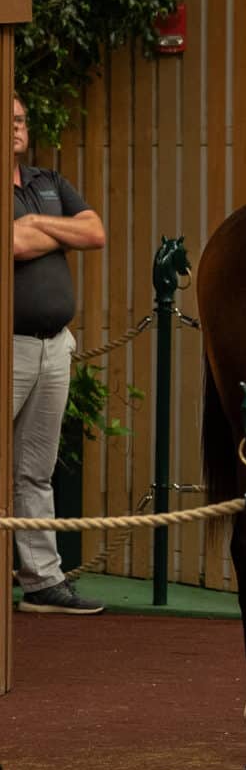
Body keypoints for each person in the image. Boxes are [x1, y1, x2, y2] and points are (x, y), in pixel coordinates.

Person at [12, 95, 107, 613]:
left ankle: (42, 582)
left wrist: (39, 227)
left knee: (36, 469)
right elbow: (11, 246)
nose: (17, 127)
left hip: (55, 348)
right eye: (8, 120)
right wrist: (52, 232)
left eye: (22, 119)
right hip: (9, 347)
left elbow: (94, 232)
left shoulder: (49, 182)